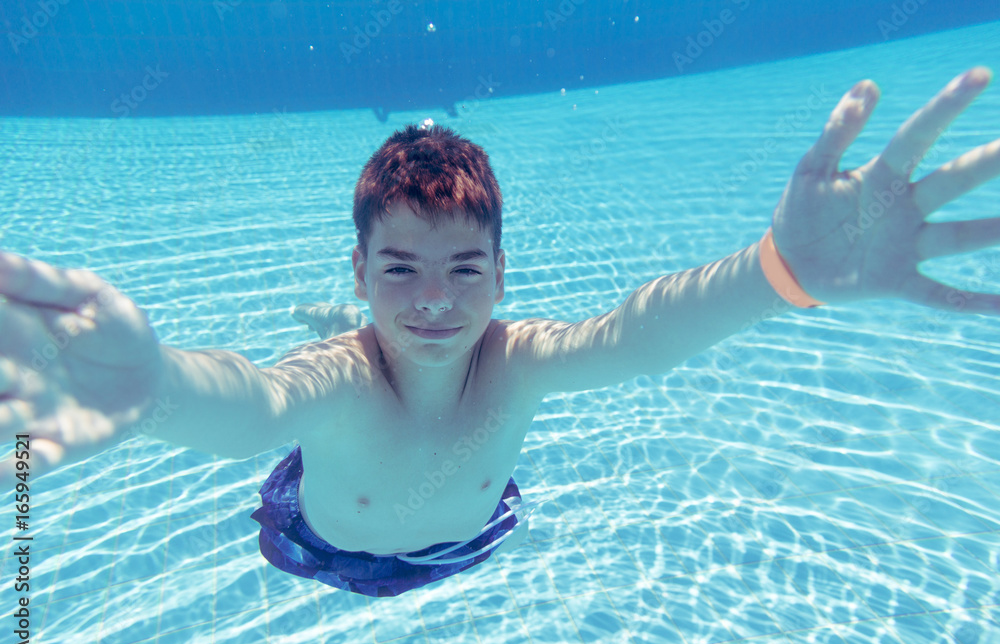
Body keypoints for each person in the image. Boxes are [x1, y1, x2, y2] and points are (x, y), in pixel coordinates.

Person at [1, 68, 998, 597]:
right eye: (399, 270)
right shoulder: (340, 381)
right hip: (323, 541)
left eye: (463, 271)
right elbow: (256, 406)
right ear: (360, 270)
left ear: (502, 276)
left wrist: (774, 273)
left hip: (464, 541)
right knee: (328, 363)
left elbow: (635, 337)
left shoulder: (516, 363)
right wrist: (157, 389)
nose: (435, 302)